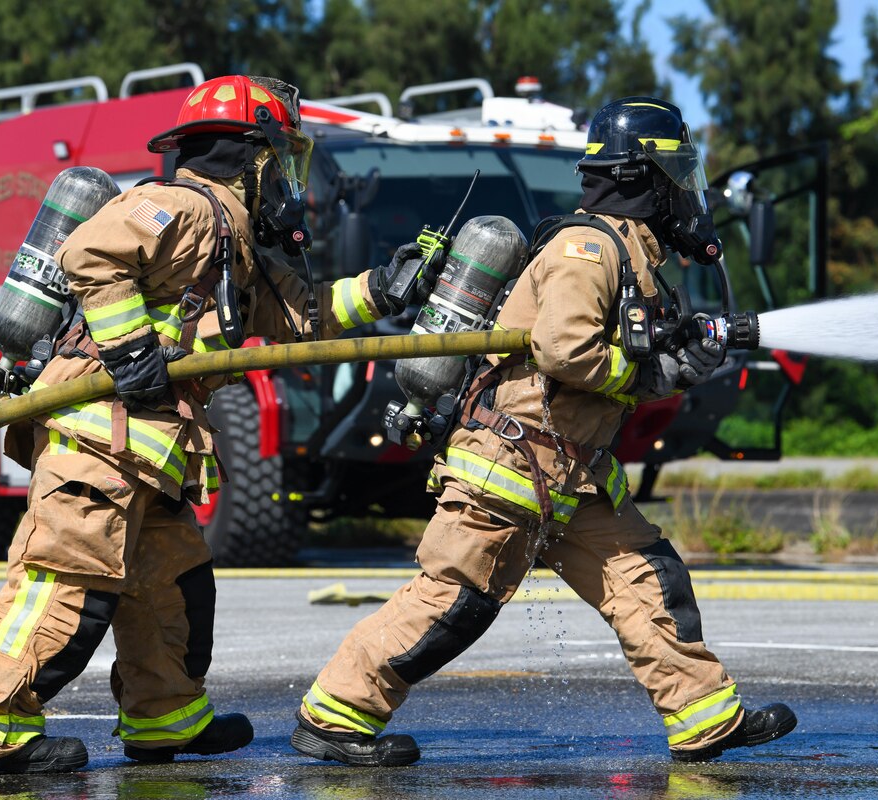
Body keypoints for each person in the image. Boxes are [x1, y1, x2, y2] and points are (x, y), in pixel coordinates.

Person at [289, 97, 797, 767]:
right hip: (511, 462)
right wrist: (657, 369)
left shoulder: (635, 258)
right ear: (642, 178)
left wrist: (675, 366)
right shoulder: (589, 249)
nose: (686, 194)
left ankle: (703, 717)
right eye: (675, 174)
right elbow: (564, 351)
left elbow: (625, 364)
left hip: (573, 473)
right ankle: (335, 714)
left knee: (647, 577)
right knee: (455, 603)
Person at [0, 75, 425, 774]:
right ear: (254, 157)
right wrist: (132, 345)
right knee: (64, 588)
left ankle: (165, 717)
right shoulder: (178, 206)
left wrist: (383, 289)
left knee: (173, 589)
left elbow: (300, 321)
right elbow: (88, 255)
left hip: (153, 448)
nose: (286, 177)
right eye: (280, 158)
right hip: (95, 440)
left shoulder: (235, 236)